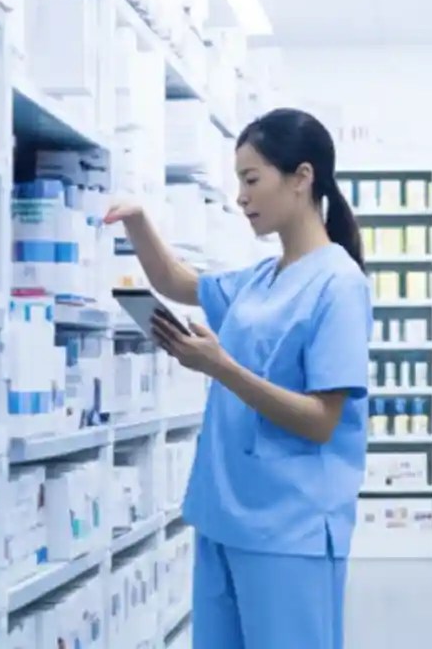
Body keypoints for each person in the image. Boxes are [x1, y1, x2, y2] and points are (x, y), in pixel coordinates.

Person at [103, 108, 372, 649]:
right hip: (225, 515)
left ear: (301, 178)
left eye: (252, 180)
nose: (241, 197)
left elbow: (321, 421)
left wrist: (219, 366)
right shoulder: (262, 277)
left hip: (289, 527)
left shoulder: (339, 284)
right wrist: (137, 220)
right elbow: (175, 280)